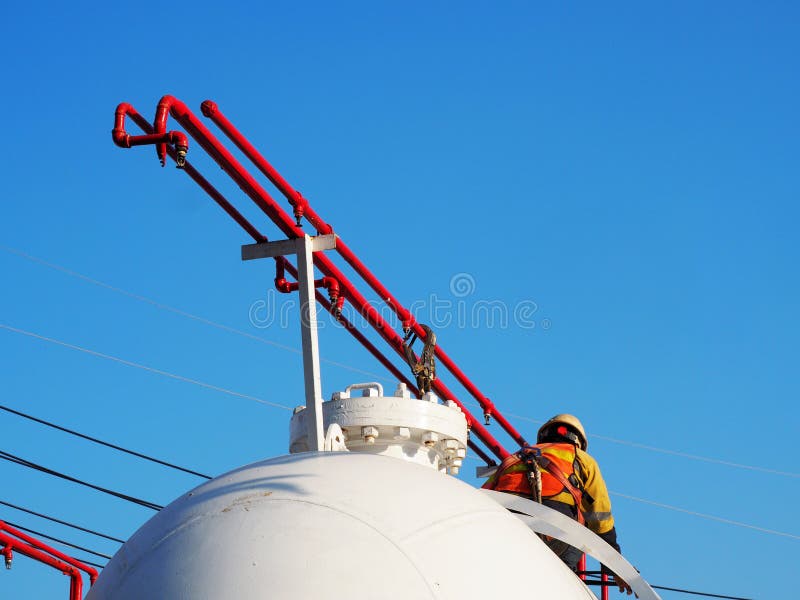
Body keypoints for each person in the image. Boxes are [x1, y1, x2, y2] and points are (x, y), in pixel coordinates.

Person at [482, 414, 633, 595]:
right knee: (561, 582)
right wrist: (615, 566)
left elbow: (478, 499)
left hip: (503, 529)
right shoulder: (581, 458)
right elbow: (599, 516)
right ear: (578, 441)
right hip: (554, 532)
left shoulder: (512, 460)